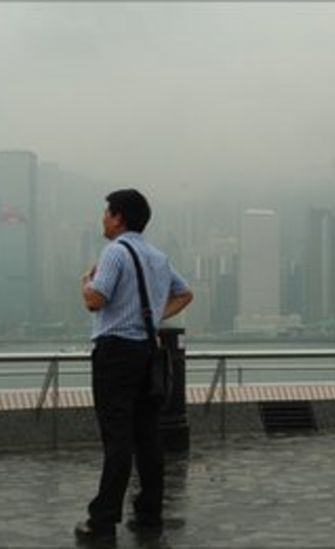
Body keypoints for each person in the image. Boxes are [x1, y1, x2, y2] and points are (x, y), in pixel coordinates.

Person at [76, 189, 194, 543]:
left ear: (119, 218)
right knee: (147, 435)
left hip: (114, 352)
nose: (103, 219)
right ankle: (149, 513)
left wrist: (86, 283)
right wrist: (154, 317)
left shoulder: (114, 252)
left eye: (107, 213)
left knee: (117, 437)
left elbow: (96, 300)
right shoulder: (157, 257)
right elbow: (185, 293)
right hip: (146, 351)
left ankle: (102, 521)